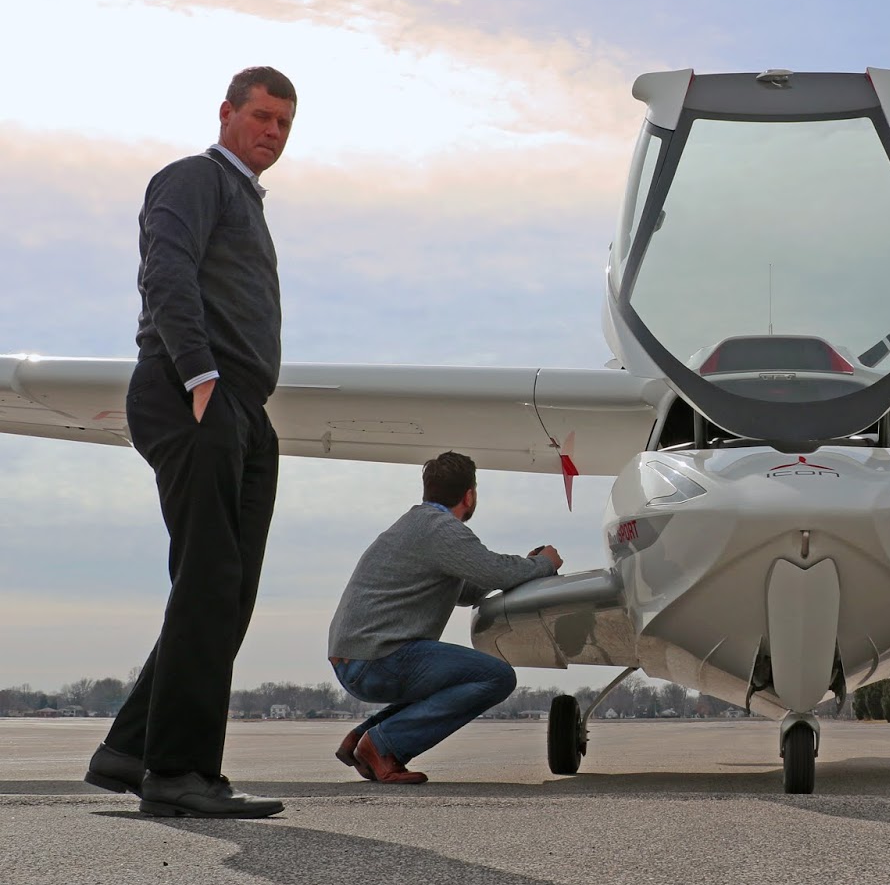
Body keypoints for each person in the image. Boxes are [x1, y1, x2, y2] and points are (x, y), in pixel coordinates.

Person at [84, 67, 297, 819]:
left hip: (242, 406)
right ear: (228, 113)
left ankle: (132, 748)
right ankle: (178, 773)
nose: (271, 132)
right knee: (210, 579)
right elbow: (165, 267)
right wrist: (199, 372)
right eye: (261, 116)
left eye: (283, 123)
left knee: (225, 587)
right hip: (194, 394)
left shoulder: (246, 199)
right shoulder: (195, 177)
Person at [326, 451, 563, 783]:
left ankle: (363, 739)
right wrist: (545, 564)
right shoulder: (440, 529)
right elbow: (494, 571)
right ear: (469, 495)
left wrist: (520, 569)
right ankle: (381, 746)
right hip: (375, 658)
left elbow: (468, 590)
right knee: (496, 676)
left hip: (358, 657)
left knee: (454, 676)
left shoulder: (418, 526)